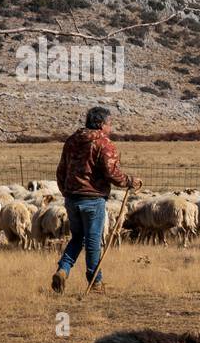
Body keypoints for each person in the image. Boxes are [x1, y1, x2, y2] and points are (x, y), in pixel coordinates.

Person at [51, 106, 141, 293]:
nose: (111, 127)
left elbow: (61, 170)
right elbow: (112, 173)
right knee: (93, 241)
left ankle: (62, 270)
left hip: (72, 199)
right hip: (93, 199)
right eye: (109, 124)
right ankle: (95, 283)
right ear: (100, 124)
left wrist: (67, 192)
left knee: (77, 238)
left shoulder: (71, 141)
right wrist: (130, 181)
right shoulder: (104, 144)